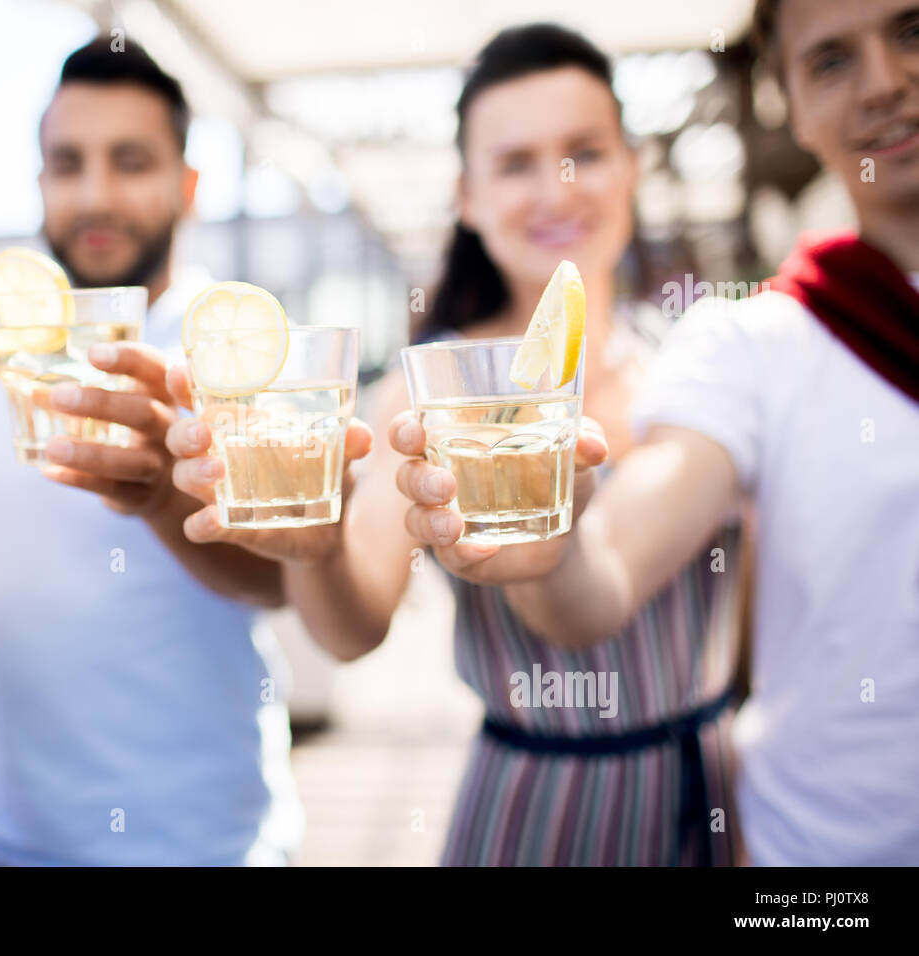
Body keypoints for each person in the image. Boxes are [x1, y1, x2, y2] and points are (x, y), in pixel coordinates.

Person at [164, 24, 747, 865]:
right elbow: (351, 627)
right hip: (527, 811)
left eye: (584, 151)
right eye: (515, 163)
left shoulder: (705, 360)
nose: (556, 188)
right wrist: (317, 550)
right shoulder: (425, 390)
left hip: (708, 796)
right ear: (466, 196)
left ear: (633, 167)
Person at [394, 0, 919, 865]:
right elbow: (600, 582)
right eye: (829, 59)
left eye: (913, 31)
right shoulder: (749, 347)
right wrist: (552, 550)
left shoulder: (669, 349)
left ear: (631, 168)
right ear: (788, 92)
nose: (884, 82)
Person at [0, 37, 366, 866]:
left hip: (204, 844)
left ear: (188, 185)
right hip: (3, 845)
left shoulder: (250, 357)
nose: (95, 194)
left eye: (130, 161)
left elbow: (282, 580)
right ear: (39, 186)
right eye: (68, 164)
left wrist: (161, 501)